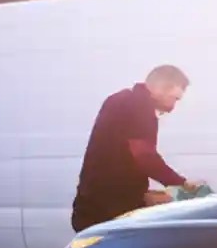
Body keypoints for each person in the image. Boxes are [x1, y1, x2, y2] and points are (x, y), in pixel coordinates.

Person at [71, 65, 204, 232]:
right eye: (174, 98)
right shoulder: (139, 107)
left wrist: (141, 192)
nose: (173, 106)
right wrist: (181, 182)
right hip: (109, 213)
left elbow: (116, 159)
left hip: (92, 205)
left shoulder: (119, 100)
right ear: (161, 88)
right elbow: (144, 156)